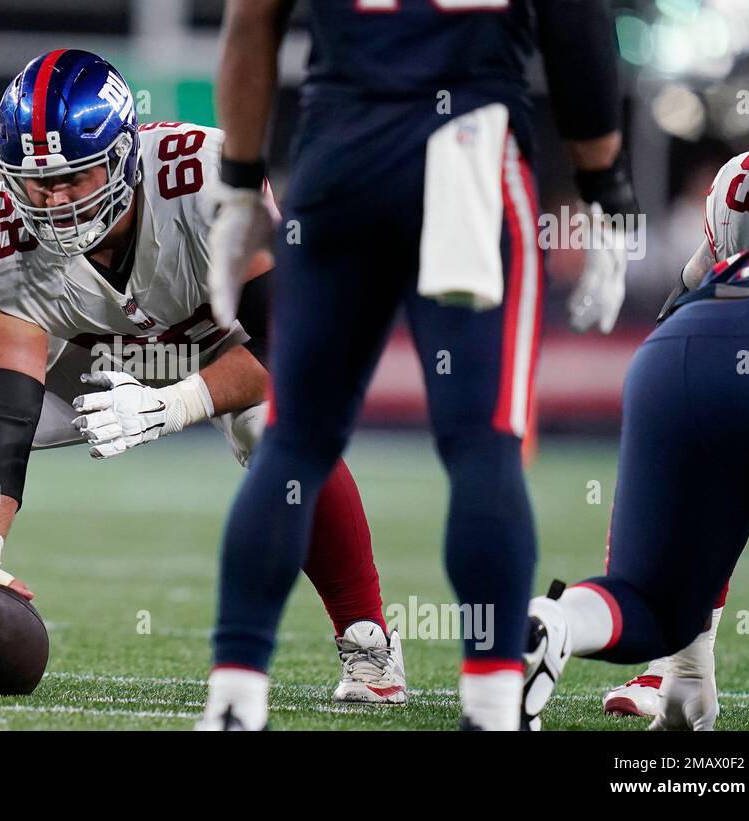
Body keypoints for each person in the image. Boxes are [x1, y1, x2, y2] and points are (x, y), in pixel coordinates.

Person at [0, 50, 406, 706]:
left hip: (215, 349)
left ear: (124, 156)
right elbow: (2, 416)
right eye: (39, 184)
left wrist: (171, 405)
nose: (56, 201)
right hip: (89, 359)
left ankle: (367, 635)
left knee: (280, 424)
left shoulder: (205, 178)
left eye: (76, 177)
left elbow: (287, 350)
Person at [200, 0, 635, 730]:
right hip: (470, 151)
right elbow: (577, 22)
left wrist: (242, 183)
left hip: (338, 151)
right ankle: (494, 704)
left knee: (294, 442)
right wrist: (605, 190)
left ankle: (236, 699)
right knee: (482, 444)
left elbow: (250, 20)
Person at [523, 235, 749, 731]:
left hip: (680, 351)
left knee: (647, 602)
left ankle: (557, 622)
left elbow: (680, 301)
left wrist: (689, 667)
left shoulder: (743, 204)